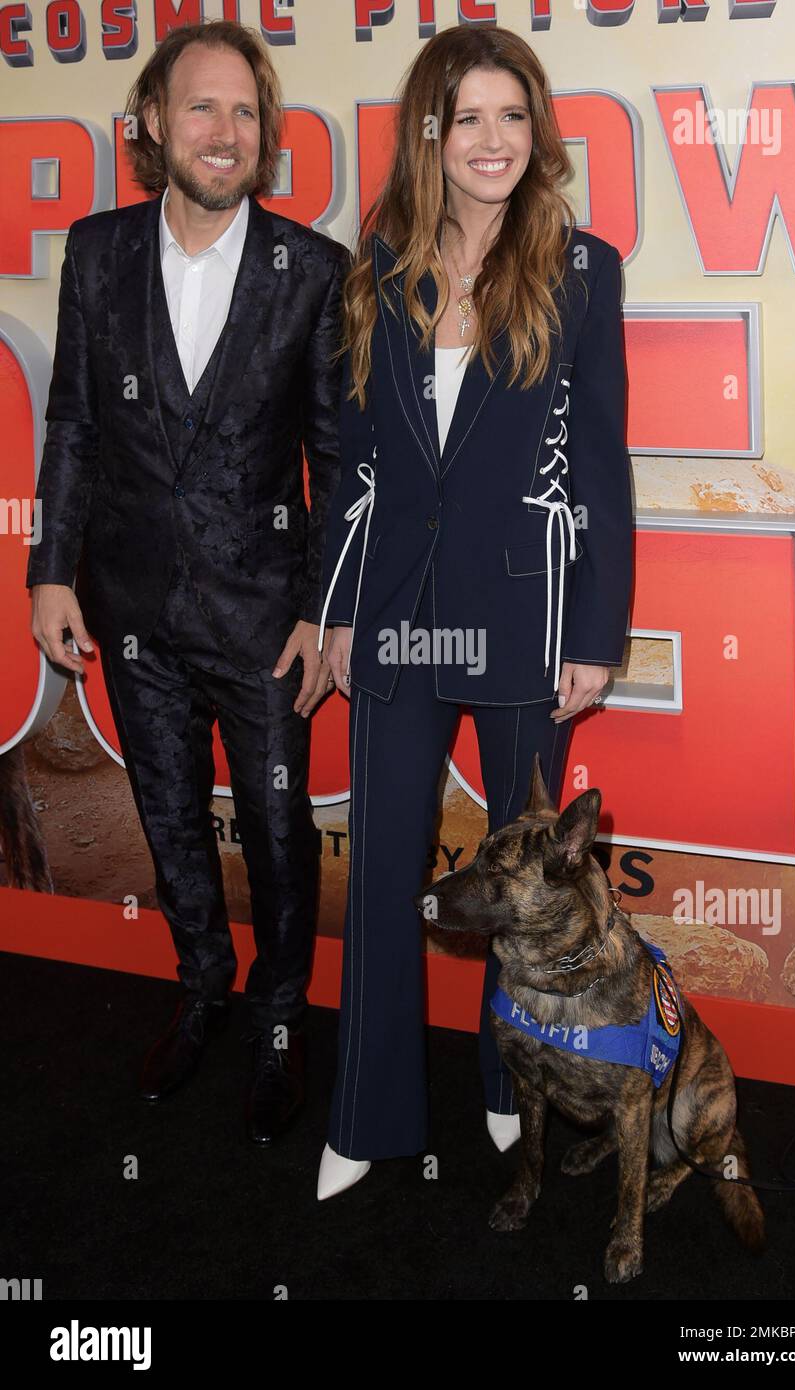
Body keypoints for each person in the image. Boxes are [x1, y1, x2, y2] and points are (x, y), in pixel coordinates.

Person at [315, 25, 634, 1198]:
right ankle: (364, 1116)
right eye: (468, 119)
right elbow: (354, 462)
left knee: (522, 886)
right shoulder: (380, 261)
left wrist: (593, 632)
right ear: (429, 134)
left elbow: (598, 465)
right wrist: (340, 607)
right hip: (397, 615)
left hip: (522, 619)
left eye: (512, 116)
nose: (491, 141)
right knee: (392, 870)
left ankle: (513, 1094)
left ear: (534, 131)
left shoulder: (582, 267)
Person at [26, 20, 347, 1145]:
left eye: (245, 113)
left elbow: (338, 461)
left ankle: (276, 1020)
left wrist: (325, 608)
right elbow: (71, 418)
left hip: (263, 619)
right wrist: (48, 574)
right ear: (153, 125)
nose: (224, 132)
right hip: (130, 606)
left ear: (267, 136)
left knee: (272, 822)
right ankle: (202, 985)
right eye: (200, 108)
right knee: (168, 815)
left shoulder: (311, 272)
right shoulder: (98, 248)